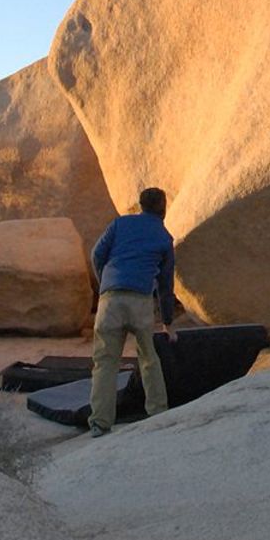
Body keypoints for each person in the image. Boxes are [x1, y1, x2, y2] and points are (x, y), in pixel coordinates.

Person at [88, 186, 176, 438]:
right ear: (163, 207)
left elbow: (97, 254)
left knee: (105, 362)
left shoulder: (119, 224)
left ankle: (100, 423)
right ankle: (158, 414)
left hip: (110, 300)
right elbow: (165, 285)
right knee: (149, 358)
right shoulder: (164, 237)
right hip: (140, 301)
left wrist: (105, 282)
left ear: (140, 205)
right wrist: (168, 323)